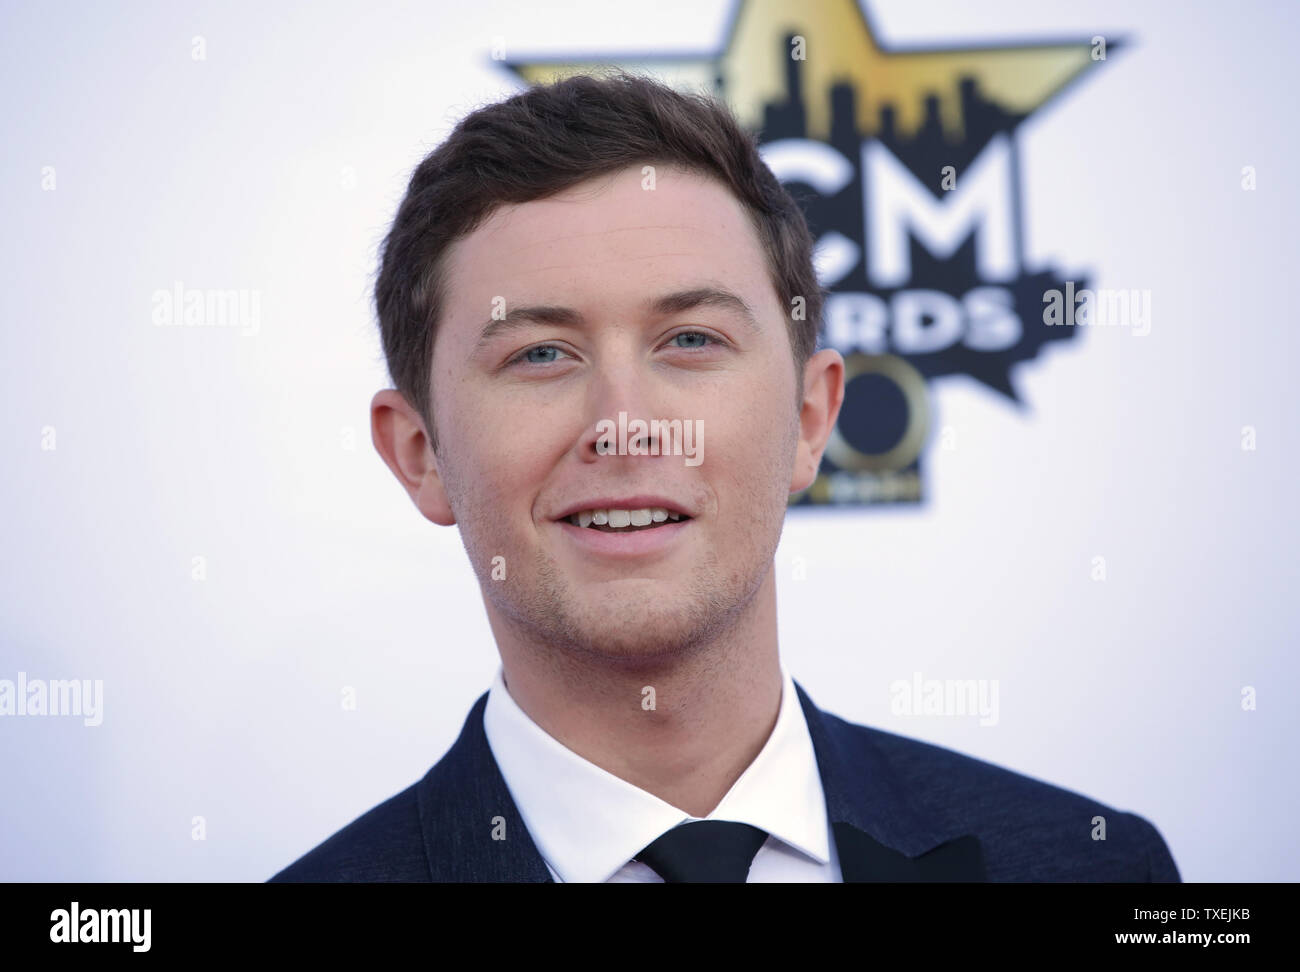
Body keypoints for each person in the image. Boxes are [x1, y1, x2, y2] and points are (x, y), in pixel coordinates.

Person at [269, 72, 1179, 883]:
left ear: (809, 419)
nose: (623, 425)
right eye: (541, 353)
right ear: (418, 452)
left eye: (692, 341)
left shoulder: (1095, 867)